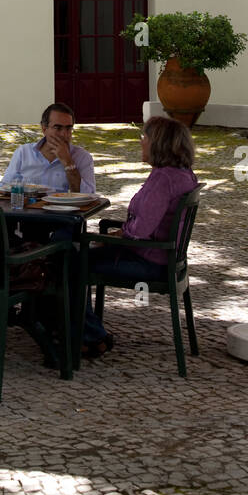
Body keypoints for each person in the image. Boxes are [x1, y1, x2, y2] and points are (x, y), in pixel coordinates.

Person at [83, 116, 200, 356]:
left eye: (144, 137)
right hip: (166, 259)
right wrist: (121, 232)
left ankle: (90, 337)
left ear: (158, 143)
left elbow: (142, 229)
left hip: (150, 262)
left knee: (70, 262)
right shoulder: (183, 174)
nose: (141, 142)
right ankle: (82, 331)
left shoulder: (163, 179)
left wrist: (118, 235)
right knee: (76, 256)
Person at [1, 103, 95, 193]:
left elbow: (89, 196)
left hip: (64, 208)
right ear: (44, 129)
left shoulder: (82, 157)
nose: (64, 134)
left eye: (68, 129)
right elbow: (4, 188)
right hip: (29, 207)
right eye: (58, 128)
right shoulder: (24, 153)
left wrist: (68, 162)